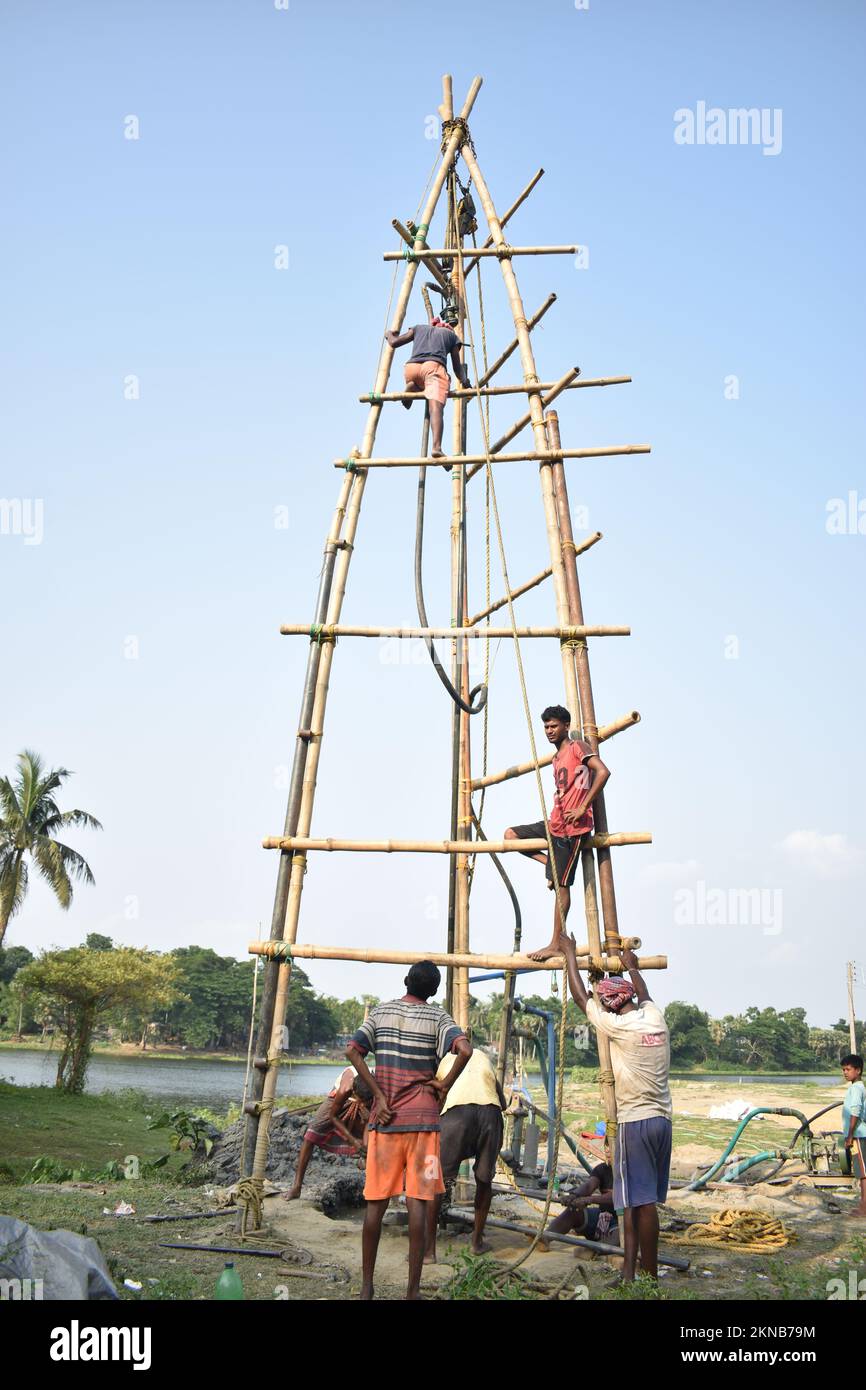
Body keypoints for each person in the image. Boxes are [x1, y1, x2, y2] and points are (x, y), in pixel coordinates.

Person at [346, 961, 472, 1300]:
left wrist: (380, 1095)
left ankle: (367, 1287)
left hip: (385, 1123)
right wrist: (444, 1084)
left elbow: (352, 1051)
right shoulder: (439, 1018)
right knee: (418, 1202)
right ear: (433, 990)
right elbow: (465, 1049)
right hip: (425, 1124)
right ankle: (412, 1291)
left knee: (375, 1205)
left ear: (405, 981)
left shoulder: (381, 1013)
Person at [560, 936, 671, 1282]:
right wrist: (633, 966)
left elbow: (580, 998)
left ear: (609, 1006)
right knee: (638, 1199)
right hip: (662, 1121)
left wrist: (568, 955)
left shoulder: (618, 1027)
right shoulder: (654, 1017)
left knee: (642, 1202)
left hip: (634, 1124)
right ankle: (629, 1272)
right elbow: (646, 992)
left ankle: (647, 1276)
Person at [504, 705, 610, 961]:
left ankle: (555, 943)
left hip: (574, 828)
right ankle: (549, 864)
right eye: (546, 727)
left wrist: (584, 806)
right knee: (510, 836)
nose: (549, 731)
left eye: (554, 726)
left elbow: (603, 771)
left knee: (562, 885)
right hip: (556, 823)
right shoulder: (555, 758)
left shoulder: (577, 747)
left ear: (565, 726)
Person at [424, 1047, 506, 1262]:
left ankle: (429, 1251)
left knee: (436, 1182)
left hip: (456, 1116)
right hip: (491, 1113)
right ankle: (477, 1242)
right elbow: (503, 1103)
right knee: (484, 1180)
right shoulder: (482, 1056)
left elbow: (435, 1098)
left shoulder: (442, 1062)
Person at [385, 308, 470, 460]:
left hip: (411, 368)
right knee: (435, 407)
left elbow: (394, 342)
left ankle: (414, 386)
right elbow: (457, 368)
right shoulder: (451, 335)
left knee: (424, 384)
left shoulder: (419, 328)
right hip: (433, 369)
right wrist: (465, 381)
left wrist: (388, 334)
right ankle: (437, 447)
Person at [284, 1067, 372, 1201]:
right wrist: (352, 1140)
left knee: (373, 1136)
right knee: (311, 1135)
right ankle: (296, 1187)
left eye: (365, 1102)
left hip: (370, 1097)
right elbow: (333, 1116)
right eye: (361, 1101)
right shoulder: (345, 1088)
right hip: (339, 1100)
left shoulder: (375, 1086)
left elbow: (369, 1123)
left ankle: (370, 1179)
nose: (362, 1104)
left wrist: (369, 1114)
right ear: (353, 1092)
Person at [544, 1161, 618, 1248]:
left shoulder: (630, 1170)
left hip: (623, 1221)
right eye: (606, 1146)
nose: (608, 1150)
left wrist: (590, 1199)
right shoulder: (602, 1168)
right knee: (573, 1210)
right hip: (603, 1217)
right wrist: (574, 1195)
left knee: (622, 1233)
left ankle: (595, 1250)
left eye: (610, 1147)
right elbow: (589, 1186)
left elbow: (618, 1195)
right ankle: (545, 1237)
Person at [841, 1053, 866, 1217]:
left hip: (858, 1135)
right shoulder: (856, 1087)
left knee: (863, 1173)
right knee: (861, 1172)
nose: (845, 1072)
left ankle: (864, 1209)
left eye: (848, 1069)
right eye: (843, 1069)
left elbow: (855, 1111)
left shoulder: (856, 1088)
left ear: (858, 1070)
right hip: (857, 1134)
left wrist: (850, 1135)